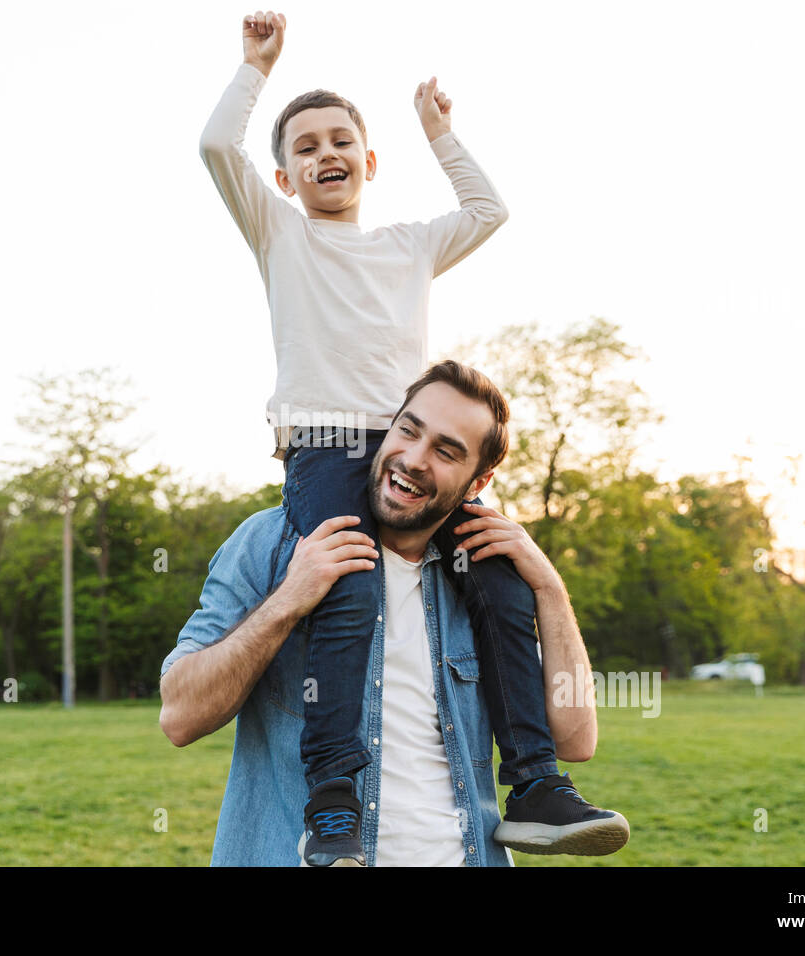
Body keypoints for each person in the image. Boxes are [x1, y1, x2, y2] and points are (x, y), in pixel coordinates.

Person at [198, 11, 625, 865]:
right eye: (306, 146)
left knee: (501, 579)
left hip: (412, 450)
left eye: (341, 140)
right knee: (346, 593)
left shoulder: (407, 245)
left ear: (369, 159)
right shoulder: (281, 234)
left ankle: (535, 781)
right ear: (283, 177)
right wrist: (256, 70)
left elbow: (489, 206)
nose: (326, 154)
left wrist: (442, 131)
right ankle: (334, 804)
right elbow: (216, 149)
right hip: (326, 447)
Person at [160, 362, 629, 866]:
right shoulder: (273, 545)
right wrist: (289, 600)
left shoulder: (485, 582)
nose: (413, 458)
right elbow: (181, 718)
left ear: (479, 482)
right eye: (408, 430)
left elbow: (576, 738)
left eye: (446, 451)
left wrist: (550, 589)